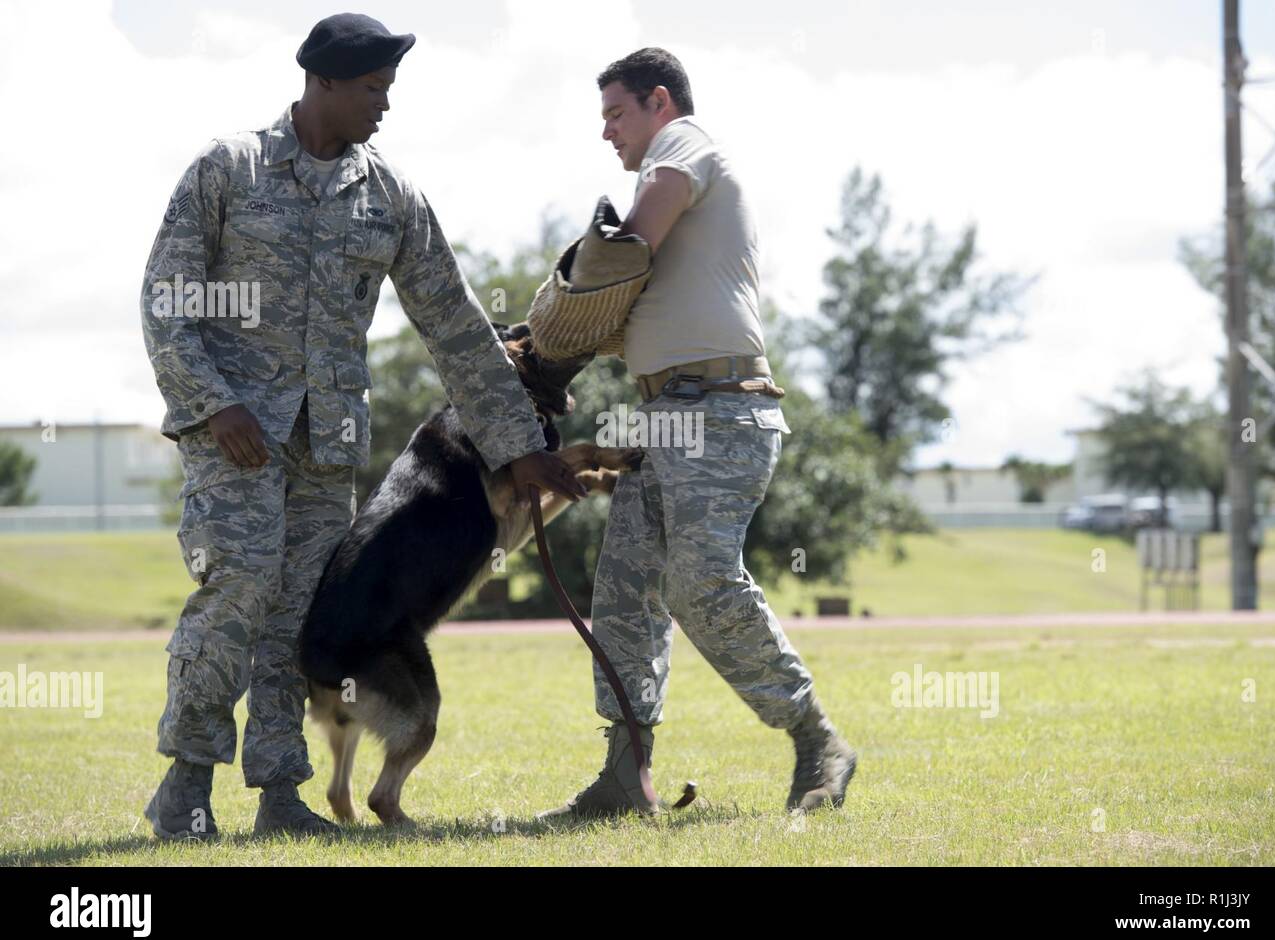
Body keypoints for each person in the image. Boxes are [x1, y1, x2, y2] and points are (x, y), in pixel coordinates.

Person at [141, 13, 586, 839]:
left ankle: (280, 795)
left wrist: (520, 447)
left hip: (326, 449)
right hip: (234, 437)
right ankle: (186, 784)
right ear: (324, 82)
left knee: (303, 617)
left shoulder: (390, 196)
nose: (384, 105)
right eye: (373, 89)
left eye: (389, 89)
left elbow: (456, 325)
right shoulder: (228, 170)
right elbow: (166, 300)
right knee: (235, 594)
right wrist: (211, 401)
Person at [539, 48, 856, 819]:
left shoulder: (685, 145)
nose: (608, 132)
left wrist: (595, 271)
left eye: (616, 114)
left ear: (658, 102)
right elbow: (624, 292)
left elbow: (628, 249)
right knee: (624, 586)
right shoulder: (668, 173)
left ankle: (817, 739)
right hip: (668, 414)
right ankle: (624, 773)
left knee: (698, 581)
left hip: (722, 407)